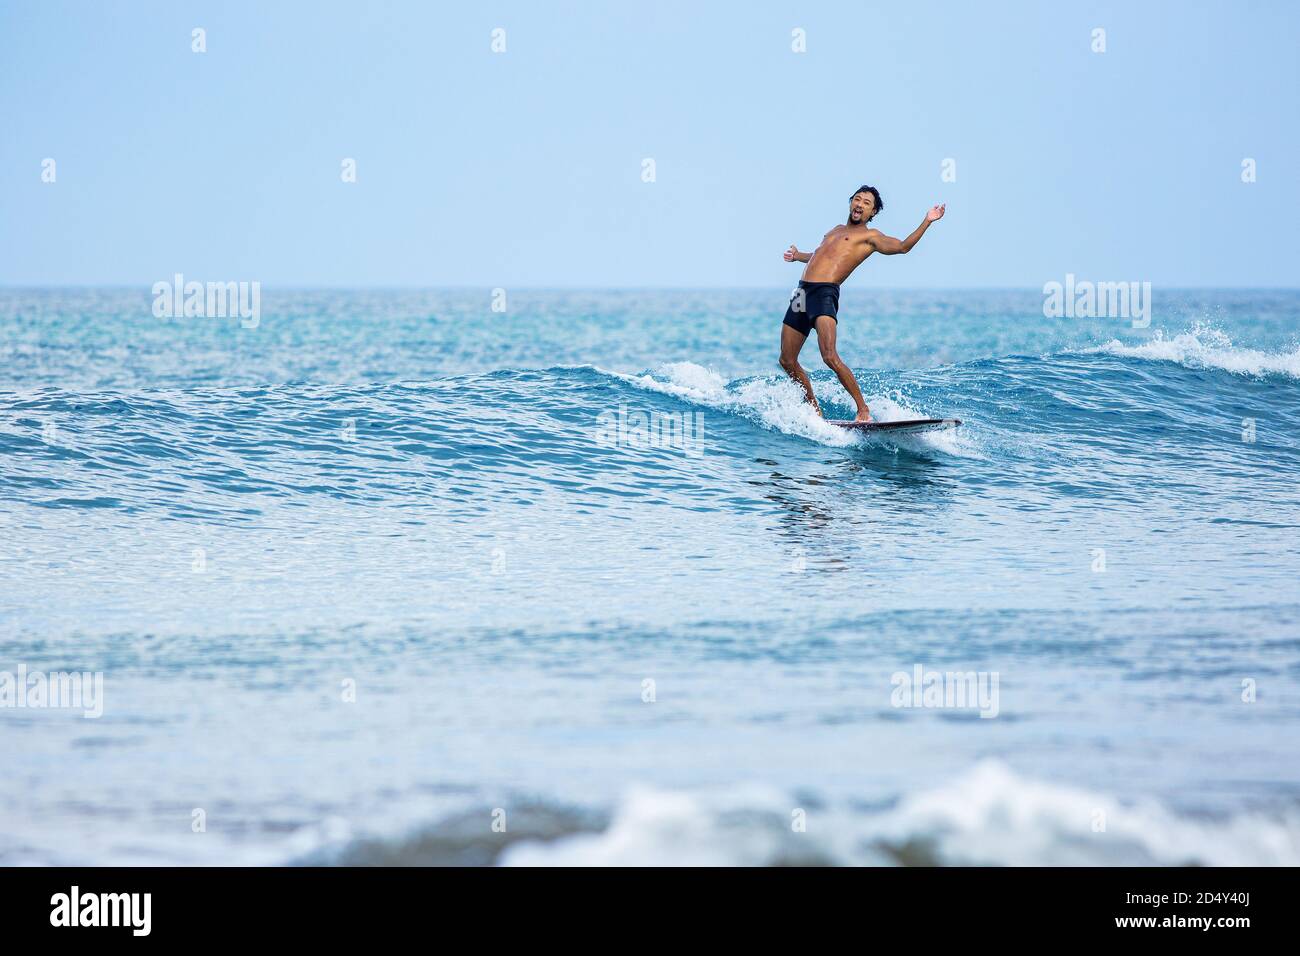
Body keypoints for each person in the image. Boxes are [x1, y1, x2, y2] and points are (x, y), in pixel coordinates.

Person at [780, 186, 945, 421]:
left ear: (873, 212)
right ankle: (813, 410)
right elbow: (820, 256)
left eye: (866, 203)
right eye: (857, 199)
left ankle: (863, 410)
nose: (859, 204)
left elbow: (903, 247)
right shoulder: (834, 231)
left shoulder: (870, 237)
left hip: (824, 294)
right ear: (850, 203)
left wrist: (927, 221)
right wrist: (798, 256)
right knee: (786, 360)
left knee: (829, 356)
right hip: (801, 293)